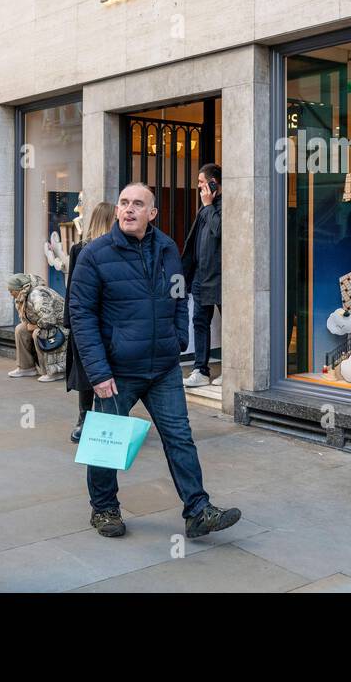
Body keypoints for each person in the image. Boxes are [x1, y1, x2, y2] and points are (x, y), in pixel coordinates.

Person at [69, 182, 241, 539]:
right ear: (116, 211)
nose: (129, 209)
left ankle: (198, 510)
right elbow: (81, 315)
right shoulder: (94, 254)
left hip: (162, 367)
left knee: (180, 436)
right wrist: (98, 373)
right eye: (124, 203)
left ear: (153, 213)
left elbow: (180, 294)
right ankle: (104, 509)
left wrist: (178, 338)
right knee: (107, 441)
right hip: (116, 370)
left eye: (138, 204)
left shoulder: (167, 248)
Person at [65, 201, 116, 443]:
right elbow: (72, 290)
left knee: (112, 369)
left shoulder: (121, 249)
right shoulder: (80, 249)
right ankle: (84, 417)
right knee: (86, 370)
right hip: (86, 320)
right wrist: (70, 323)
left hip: (113, 321)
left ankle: (108, 418)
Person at [181, 163, 222, 388]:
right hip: (201, 276)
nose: (199, 187)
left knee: (229, 324)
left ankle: (230, 369)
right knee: (199, 322)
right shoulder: (207, 207)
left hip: (220, 276)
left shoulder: (220, 206)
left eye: (201, 183)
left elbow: (220, 231)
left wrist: (208, 206)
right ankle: (200, 369)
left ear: (213, 183)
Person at [5, 273, 67, 381]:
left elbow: (49, 319)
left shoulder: (37, 294)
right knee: (20, 329)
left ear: (19, 288)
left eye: (11, 290)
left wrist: (35, 326)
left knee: (38, 333)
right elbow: (26, 320)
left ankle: (53, 371)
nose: (10, 293)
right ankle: (26, 367)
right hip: (45, 324)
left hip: (60, 327)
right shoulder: (22, 296)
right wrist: (30, 325)